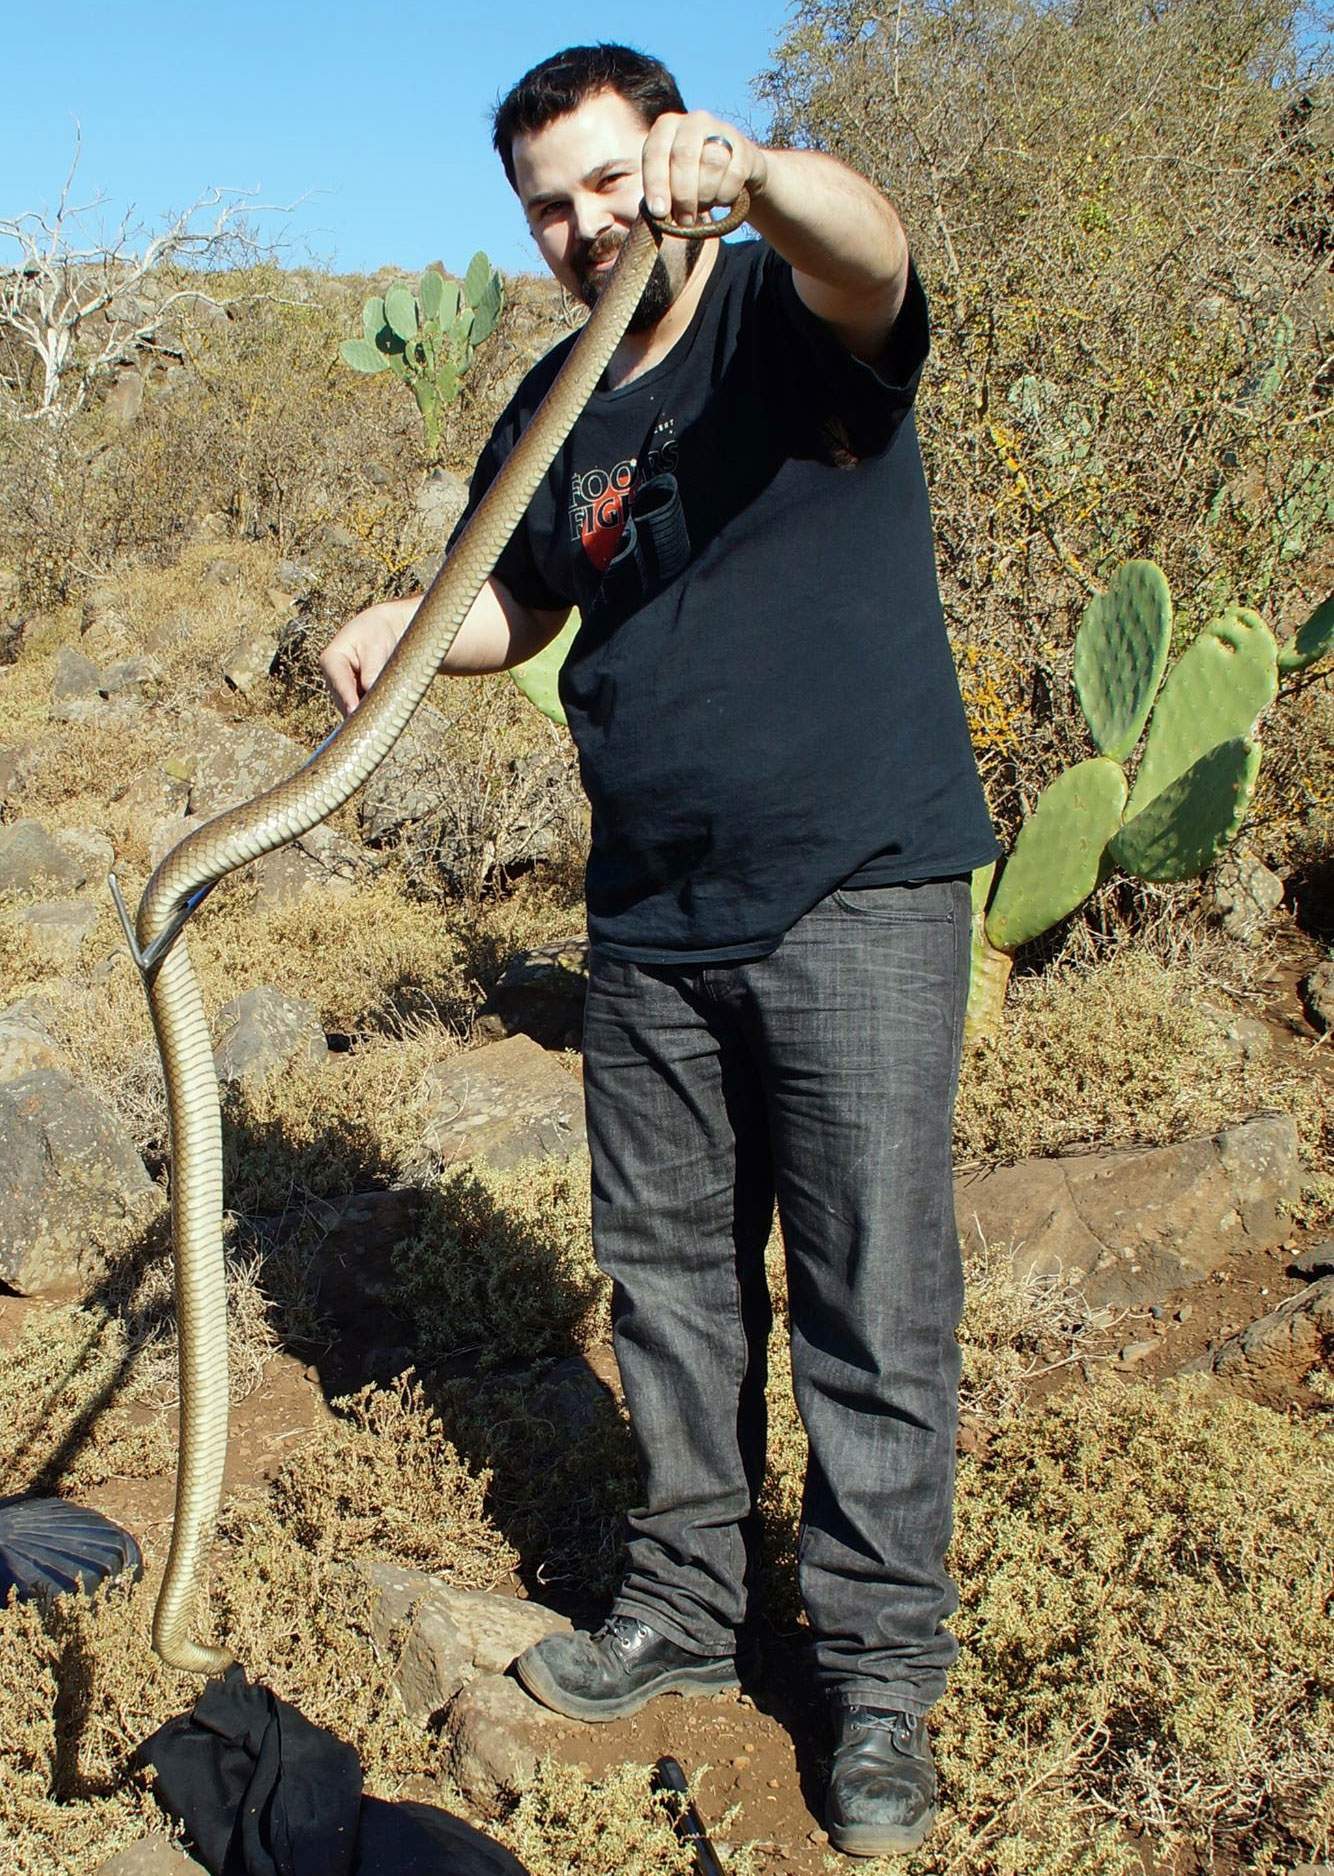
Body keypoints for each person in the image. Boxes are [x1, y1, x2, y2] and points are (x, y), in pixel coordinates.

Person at [321, 43, 1000, 1861]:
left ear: (671, 157)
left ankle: (875, 1676)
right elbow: (522, 594)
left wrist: (760, 174)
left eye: (609, 181)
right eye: (548, 204)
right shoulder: (556, 398)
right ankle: (688, 1601)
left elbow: (876, 253)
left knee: (870, 1300)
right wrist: (410, 620)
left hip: (854, 881)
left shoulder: (780, 309)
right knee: (672, 1293)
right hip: (648, 916)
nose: (584, 225)